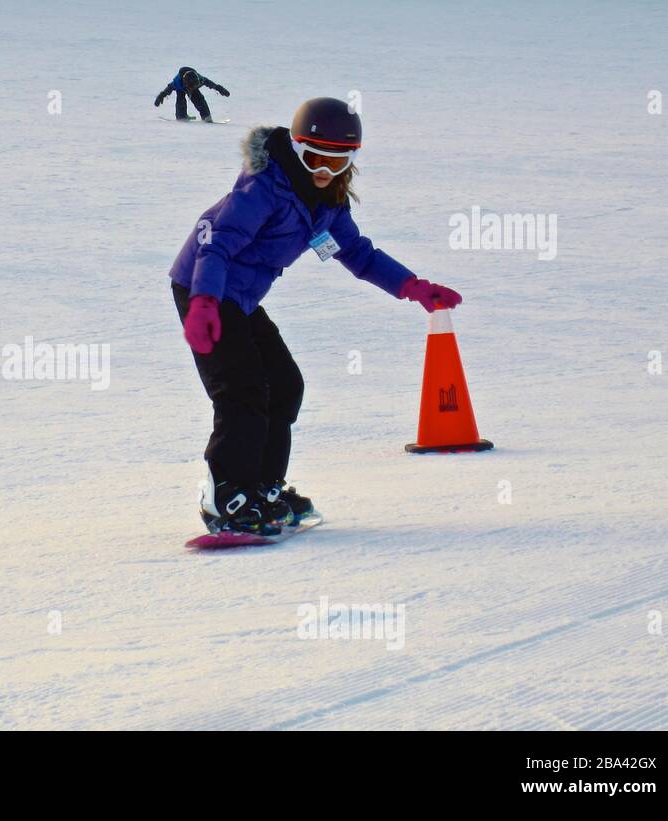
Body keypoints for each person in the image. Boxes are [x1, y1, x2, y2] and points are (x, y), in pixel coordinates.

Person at [169, 97, 463, 536]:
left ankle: (264, 488)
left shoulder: (327, 204)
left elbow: (358, 254)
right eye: (315, 157)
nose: (325, 168)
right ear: (297, 149)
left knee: (285, 386)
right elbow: (218, 244)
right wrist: (205, 302)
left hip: (242, 297)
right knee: (242, 391)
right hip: (204, 285)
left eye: (338, 159)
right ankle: (226, 496)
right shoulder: (264, 188)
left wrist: (412, 287)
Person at [154, 67, 229, 122]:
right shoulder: (177, 82)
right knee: (180, 99)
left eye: (194, 86)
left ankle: (206, 116)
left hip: (190, 84)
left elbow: (210, 83)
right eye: (191, 87)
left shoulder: (200, 79)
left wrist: (219, 88)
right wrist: (161, 95)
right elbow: (168, 89)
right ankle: (181, 116)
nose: (192, 89)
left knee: (199, 99)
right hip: (181, 88)